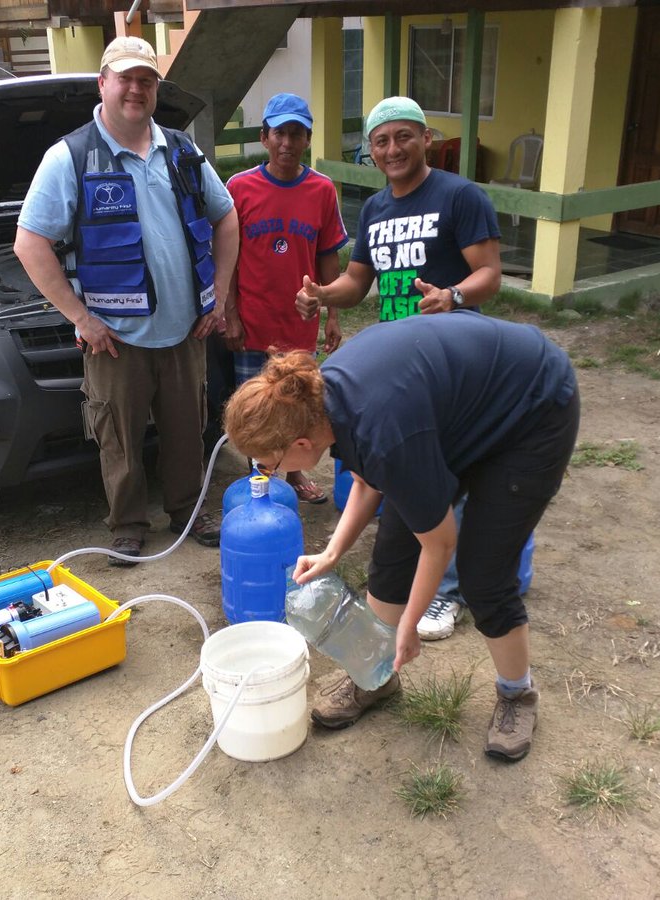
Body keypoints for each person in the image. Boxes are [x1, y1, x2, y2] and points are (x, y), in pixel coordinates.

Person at [223, 313, 579, 762]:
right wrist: (333, 552)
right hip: (454, 414)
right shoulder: (321, 403)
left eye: (270, 463)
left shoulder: (382, 428)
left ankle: (517, 694)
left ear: (299, 446)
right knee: (392, 550)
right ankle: (377, 676)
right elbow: (370, 480)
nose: (271, 472)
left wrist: (409, 626)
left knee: (484, 574)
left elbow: (440, 543)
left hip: (532, 410)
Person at [15, 36, 239, 566]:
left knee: (189, 430)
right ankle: (128, 525)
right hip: (115, 340)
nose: (136, 89)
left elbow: (226, 216)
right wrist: (80, 318)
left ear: (156, 89)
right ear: (103, 84)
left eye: (147, 80)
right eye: (125, 78)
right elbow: (30, 243)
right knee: (119, 437)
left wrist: (220, 295)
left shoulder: (182, 152)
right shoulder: (69, 156)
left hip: (185, 330)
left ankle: (187, 510)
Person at [295, 96, 503, 639]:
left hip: (451, 358)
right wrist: (323, 295)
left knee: (447, 472)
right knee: (402, 471)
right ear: (371, 151)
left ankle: (448, 593)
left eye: (404, 137)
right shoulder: (376, 209)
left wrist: (454, 295)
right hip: (398, 364)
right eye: (381, 141)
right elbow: (357, 282)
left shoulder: (459, 196)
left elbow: (490, 274)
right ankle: (415, 571)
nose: (392, 149)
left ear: (426, 138)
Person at [224, 92, 348, 504]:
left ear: (308, 139)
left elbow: (328, 255)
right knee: (256, 407)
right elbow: (228, 258)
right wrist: (231, 315)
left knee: (300, 406)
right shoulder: (239, 188)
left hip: (299, 325)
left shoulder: (322, 190)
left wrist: (332, 315)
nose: (287, 143)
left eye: (297, 134)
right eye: (280, 133)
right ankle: (262, 485)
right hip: (253, 320)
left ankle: (293, 477)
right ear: (264, 137)